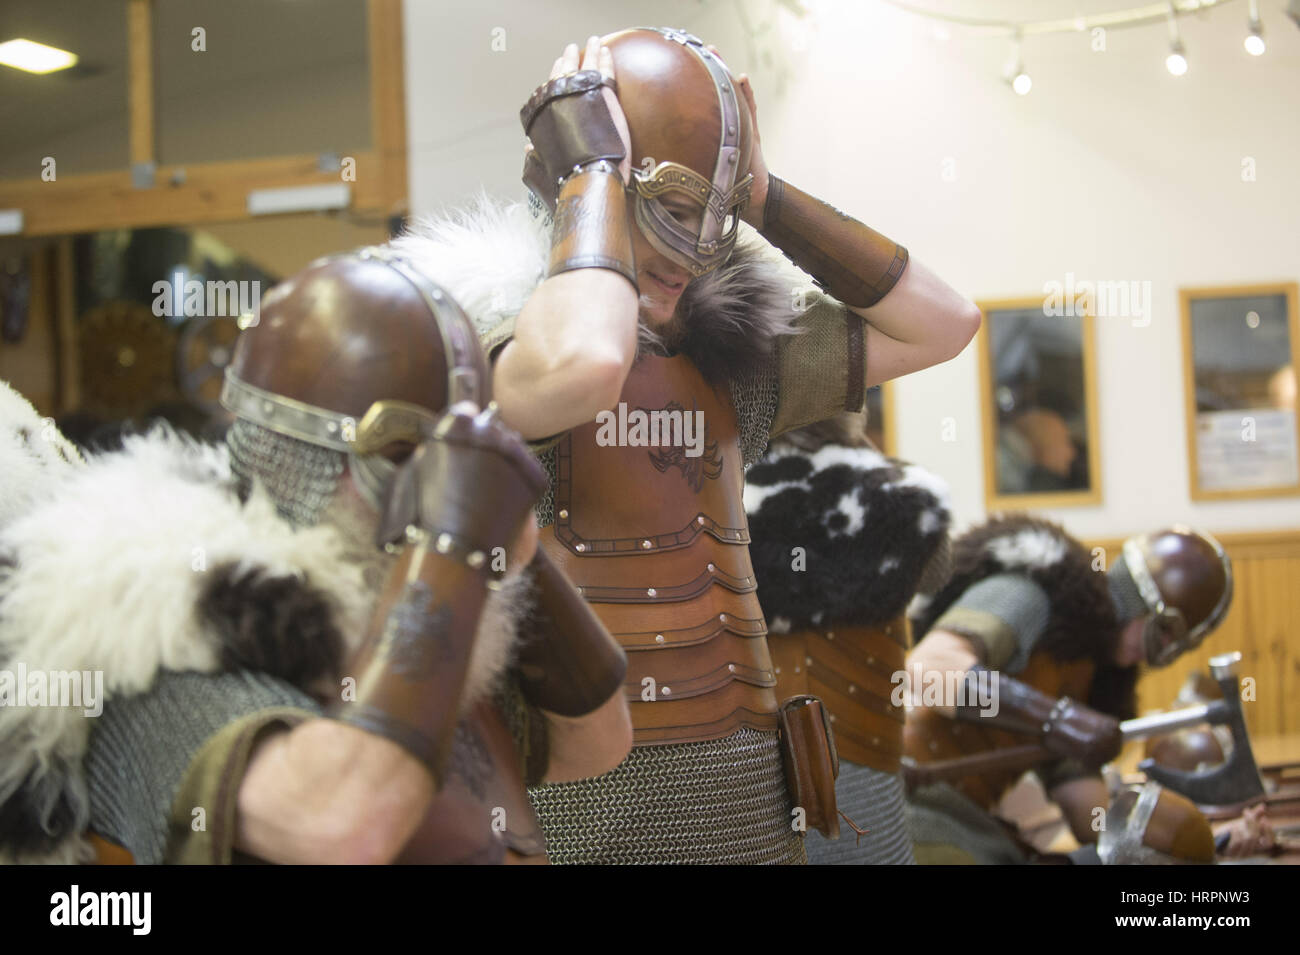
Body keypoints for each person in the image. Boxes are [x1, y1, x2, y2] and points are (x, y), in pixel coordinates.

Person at [391, 27, 978, 863]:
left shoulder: (724, 356)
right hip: (588, 801)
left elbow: (946, 324)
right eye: (672, 210)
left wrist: (768, 197)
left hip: (745, 794)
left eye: (719, 214)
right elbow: (590, 362)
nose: (698, 249)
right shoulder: (496, 333)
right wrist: (590, 170)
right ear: (579, 178)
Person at [0, 242, 632, 865]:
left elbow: (597, 741)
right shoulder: (165, 632)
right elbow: (339, 828)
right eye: (407, 458)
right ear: (292, 458)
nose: (436, 487)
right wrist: (455, 539)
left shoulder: (408, 597)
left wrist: (502, 536)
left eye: (455, 462)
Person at [902, 515, 1233, 864]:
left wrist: (1191, 835)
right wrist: (1057, 720)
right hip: (898, 799)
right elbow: (929, 669)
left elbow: (1084, 807)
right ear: (1138, 595)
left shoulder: (1088, 677)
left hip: (963, 817)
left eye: (1172, 645)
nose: (1156, 649)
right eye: (1161, 631)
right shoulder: (1033, 593)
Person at [744, 410, 952, 864]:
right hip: (863, 767)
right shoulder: (904, 497)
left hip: (737, 774)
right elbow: (936, 576)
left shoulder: (707, 498)